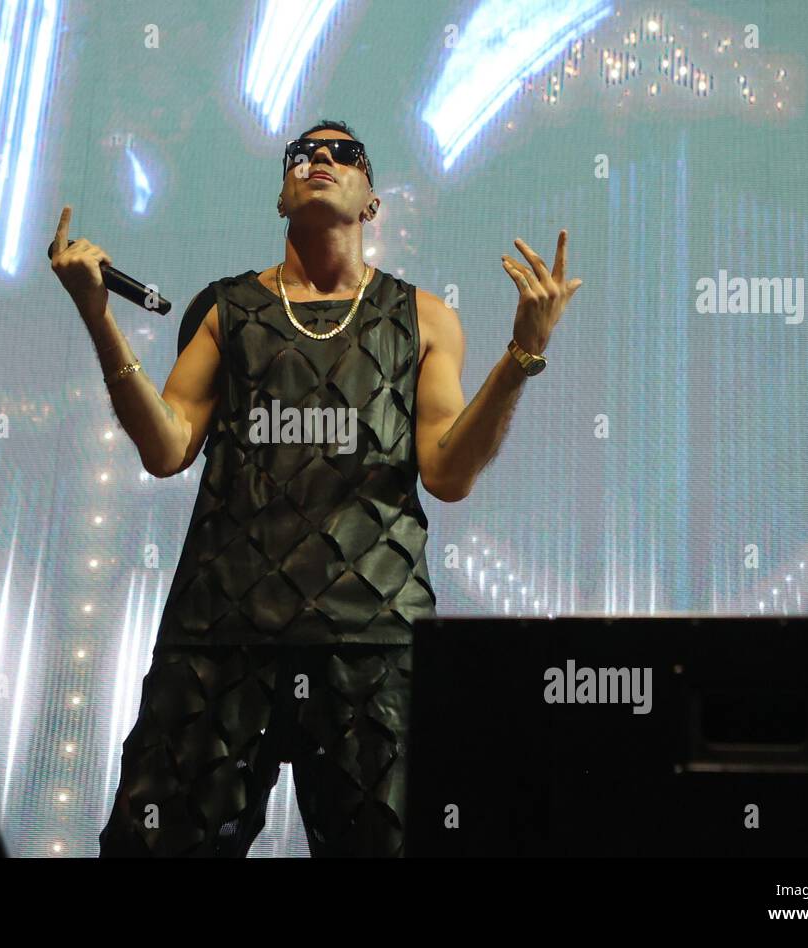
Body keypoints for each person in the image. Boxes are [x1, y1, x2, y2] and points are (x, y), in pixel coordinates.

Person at [48, 119, 582, 857]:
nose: (321, 159)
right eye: (303, 154)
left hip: (374, 638)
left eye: (344, 154)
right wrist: (98, 317)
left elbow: (448, 473)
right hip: (222, 633)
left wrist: (523, 351)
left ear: (372, 202)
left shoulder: (423, 317)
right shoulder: (227, 310)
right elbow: (166, 448)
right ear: (281, 196)